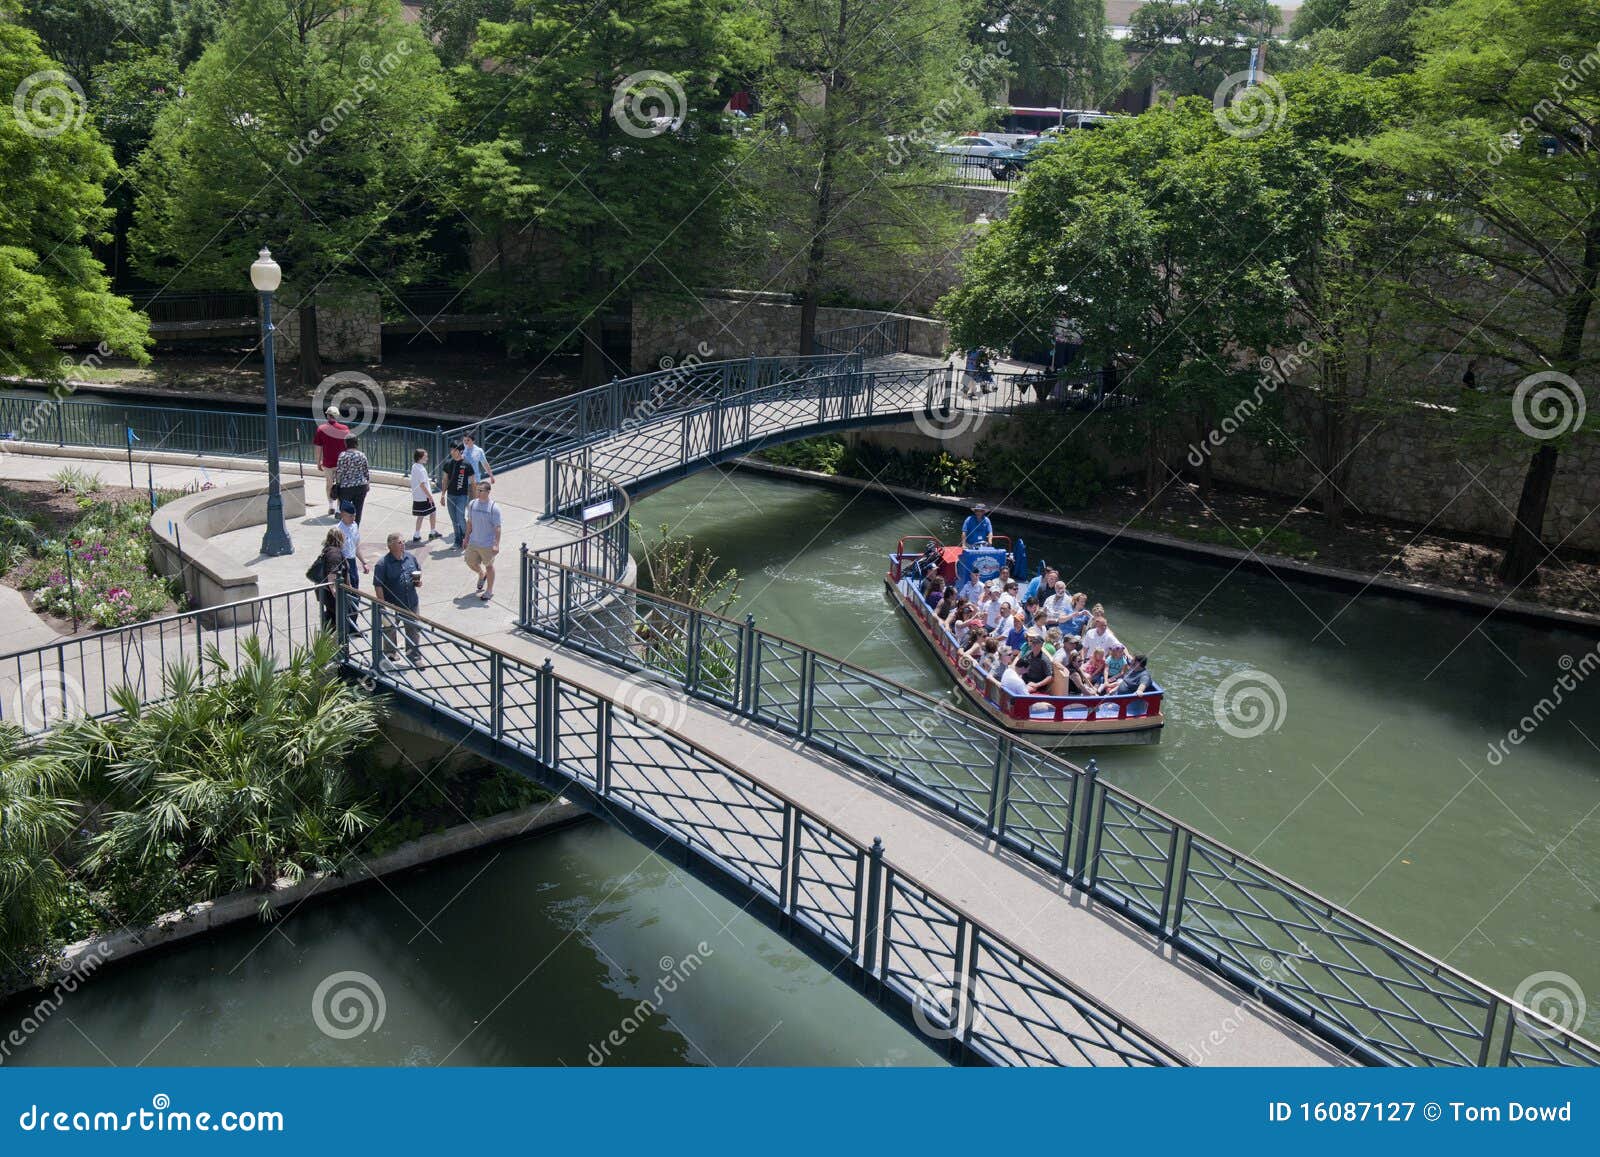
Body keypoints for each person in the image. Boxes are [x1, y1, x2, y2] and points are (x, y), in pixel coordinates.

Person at [372, 533, 425, 667]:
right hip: (392, 604)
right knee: (390, 629)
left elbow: (418, 571)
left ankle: (414, 657)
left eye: (403, 542)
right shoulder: (382, 564)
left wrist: (418, 582)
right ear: (390, 545)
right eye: (399, 542)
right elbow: (378, 585)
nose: (403, 544)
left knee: (413, 629)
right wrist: (383, 604)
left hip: (411, 602)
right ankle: (390, 654)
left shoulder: (410, 558)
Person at [463, 479, 502, 601]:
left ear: (488, 492)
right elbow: (469, 523)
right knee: (470, 562)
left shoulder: (494, 508)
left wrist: (496, 544)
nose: (478, 493)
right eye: (477, 490)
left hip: (487, 544)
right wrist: (466, 538)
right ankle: (481, 574)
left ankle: (489, 591)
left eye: (481, 490)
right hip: (473, 542)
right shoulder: (472, 504)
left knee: (489, 566)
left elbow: (497, 528)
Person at [311, 406, 349, 516]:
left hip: (328, 463)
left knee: (329, 484)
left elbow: (318, 448)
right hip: (341, 463)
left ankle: (331, 506)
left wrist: (318, 462)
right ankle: (338, 509)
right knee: (341, 486)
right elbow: (348, 446)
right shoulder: (345, 429)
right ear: (337, 416)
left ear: (327, 415)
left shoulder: (321, 429)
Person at [438, 443, 474, 549]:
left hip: (462, 496)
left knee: (460, 518)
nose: (452, 452)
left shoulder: (467, 464)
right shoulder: (448, 463)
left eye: (454, 450)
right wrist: (442, 495)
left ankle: (468, 538)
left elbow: (473, 482)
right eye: (451, 450)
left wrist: (474, 497)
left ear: (460, 451)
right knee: (454, 520)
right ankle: (458, 541)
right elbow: (445, 479)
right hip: (450, 495)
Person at [334, 435, 372, 526]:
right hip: (361, 486)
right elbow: (366, 472)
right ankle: (355, 529)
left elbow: (339, 473)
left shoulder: (342, 456)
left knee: (345, 512)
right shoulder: (362, 455)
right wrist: (367, 484)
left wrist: (337, 486)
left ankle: (345, 530)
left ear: (346, 444)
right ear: (356, 443)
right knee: (358, 511)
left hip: (346, 488)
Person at [409, 448, 442, 544]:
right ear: (420, 458)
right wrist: (430, 496)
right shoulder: (422, 470)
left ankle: (416, 535)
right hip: (424, 497)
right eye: (425, 456)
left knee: (420, 515)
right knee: (433, 512)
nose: (427, 458)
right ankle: (432, 532)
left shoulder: (414, 466)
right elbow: (422, 485)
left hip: (417, 497)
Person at [315, 527, 346, 629]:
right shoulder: (334, 554)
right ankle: (335, 636)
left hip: (325, 592)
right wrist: (336, 594)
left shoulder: (327, 550)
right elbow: (332, 575)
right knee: (336, 619)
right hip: (331, 594)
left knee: (332, 615)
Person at [336, 502, 369, 587]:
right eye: (350, 516)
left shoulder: (354, 526)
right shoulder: (338, 530)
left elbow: (356, 547)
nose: (353, 518)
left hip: (352, 562)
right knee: (347, 587)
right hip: (343, 562)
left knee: (355, 583)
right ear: (343, 514)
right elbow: (335, 551)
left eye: (354, 516)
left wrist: (364, 563)